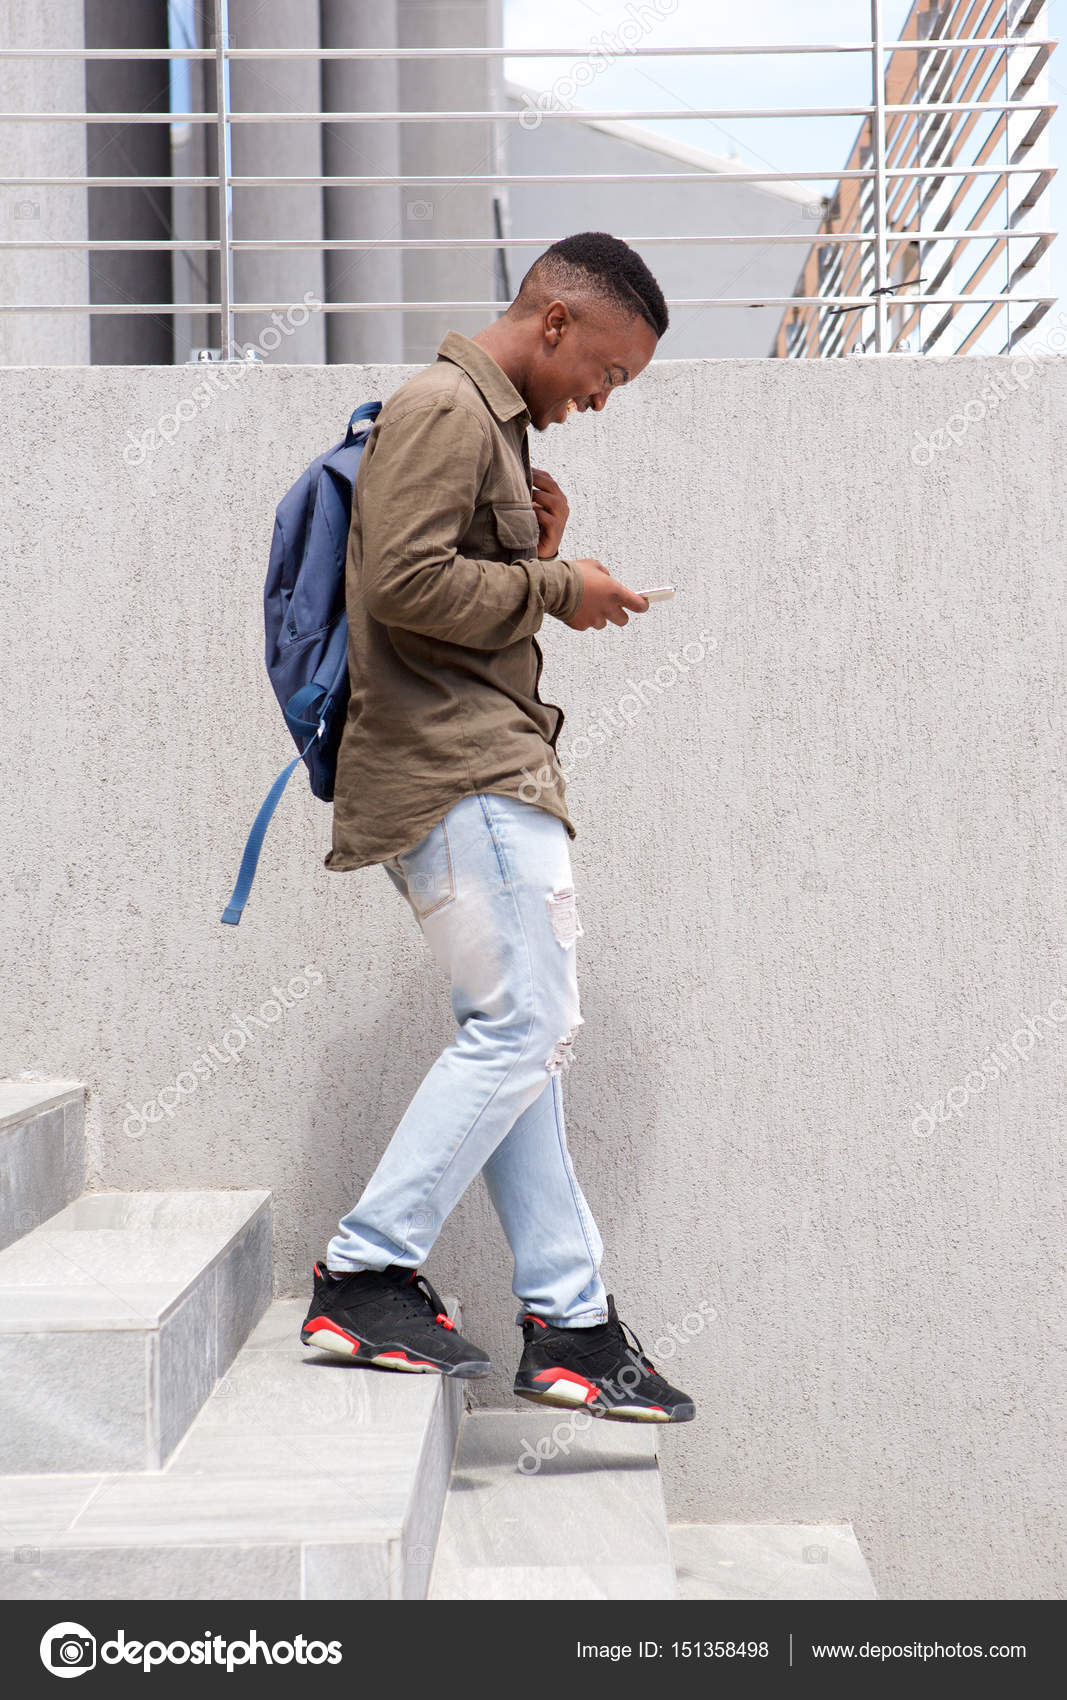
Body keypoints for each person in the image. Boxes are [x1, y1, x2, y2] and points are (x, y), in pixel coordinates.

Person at [300, 232, 694, 1423]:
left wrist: (534, 547)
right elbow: (404, 590)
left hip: (478, 766)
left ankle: (569, 1319)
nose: (601, 396)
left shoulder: (492, 428)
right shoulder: (443, 406)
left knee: (526, 1037)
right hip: (457, 773)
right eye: (607, 370)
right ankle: (366, 1269)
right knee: (525, 1023)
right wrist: (558, 585)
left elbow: (446, 576)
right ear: (557, 318)